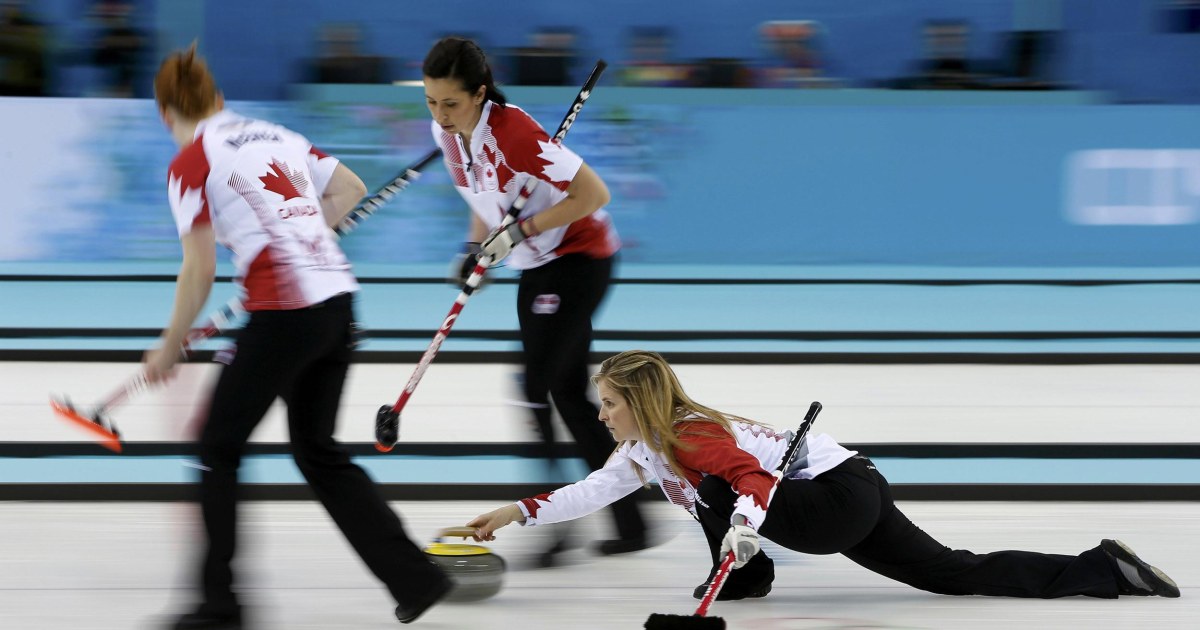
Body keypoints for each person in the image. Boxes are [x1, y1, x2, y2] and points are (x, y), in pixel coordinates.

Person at [466, 350, 1181, 602]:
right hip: (851, 484)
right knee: (951, 573)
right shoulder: (643, 450)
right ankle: (1104, 569)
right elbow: (590, 491)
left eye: (610, 403)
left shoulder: (690, 435)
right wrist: (513, 513)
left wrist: (742, 532)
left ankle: (745, 574)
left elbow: (750, 483)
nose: (601, 414)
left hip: (830, 502)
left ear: (640, 403)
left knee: (715, 490)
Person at [145, 44, 450, 629]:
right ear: (218, 99)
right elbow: (350, 188)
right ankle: (417, 577)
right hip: (337, 304)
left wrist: (169, 343)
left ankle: (219, 605)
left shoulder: (191, 161)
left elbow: (199, 268)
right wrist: (305, 235)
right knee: (318, 451)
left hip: (284, 313)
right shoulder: (276, 135)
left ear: (166, 113)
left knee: (217, 448)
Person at [422, 36, 649, 564]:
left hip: (579, 257)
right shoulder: (448, 133)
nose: (440, 114)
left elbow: (593, 195)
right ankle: (631, 518)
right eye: (431, 101)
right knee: (566, 392)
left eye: (451, 102)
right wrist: (473, 249)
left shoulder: (516, 134)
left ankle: (552, 521)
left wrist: (520, 232)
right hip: (538, 263)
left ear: (480, 94)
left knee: (534, 386)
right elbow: (482, 198)